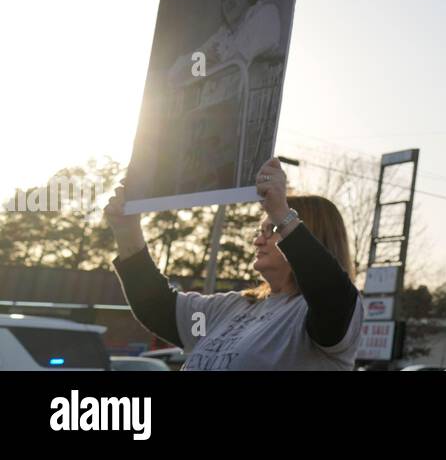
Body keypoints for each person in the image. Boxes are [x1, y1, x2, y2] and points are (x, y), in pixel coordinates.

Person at [106, 157, 362, 370]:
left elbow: (330, 292)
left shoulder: (323, 317)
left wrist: (281, 213)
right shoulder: (229, 310)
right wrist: (126, 230)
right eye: (259, 230)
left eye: (270, 229)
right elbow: (159, 307)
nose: (258, 241)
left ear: (312, 236)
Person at [169, 0, 281, 86]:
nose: (228, 0)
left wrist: (204, 69)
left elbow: (237, 62)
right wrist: (201, 65)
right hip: (222, 105)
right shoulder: (222, 35)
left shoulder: (266, 15)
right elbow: (174, 74)